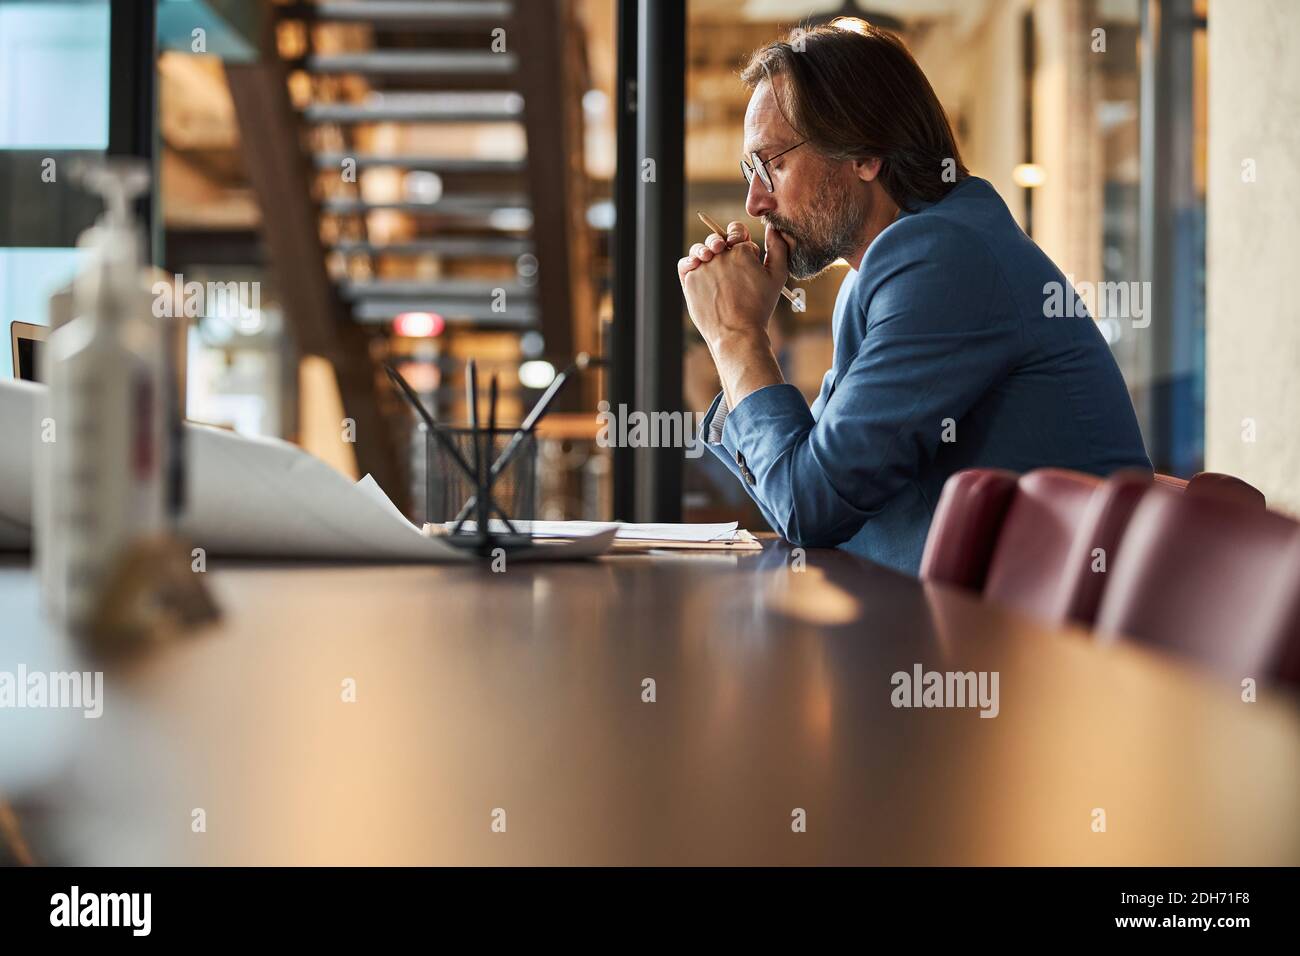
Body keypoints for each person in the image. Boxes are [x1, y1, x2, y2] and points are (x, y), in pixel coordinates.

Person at [677, 18, 1150, 574]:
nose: (755, 202)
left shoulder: (944, 258)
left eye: (771, 165)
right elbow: (802, 492)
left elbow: (811, 506)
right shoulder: (895, 265)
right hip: (968, 626)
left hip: (1049, 647)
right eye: (749, 170)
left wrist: (736, 336)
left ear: (866, 154)